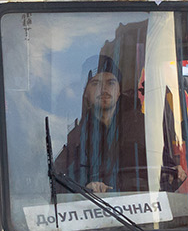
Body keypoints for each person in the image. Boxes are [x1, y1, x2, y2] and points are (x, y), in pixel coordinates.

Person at [53, 56, 147, 193]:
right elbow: (58, 180)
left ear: (119, 90)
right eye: (96, 83)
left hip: (137, 210)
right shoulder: (76, 136)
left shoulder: (140, 126)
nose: (103, 89)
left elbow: (163, 171)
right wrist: (85, 187)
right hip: (90, 209)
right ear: (85, 92)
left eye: (110, 83)